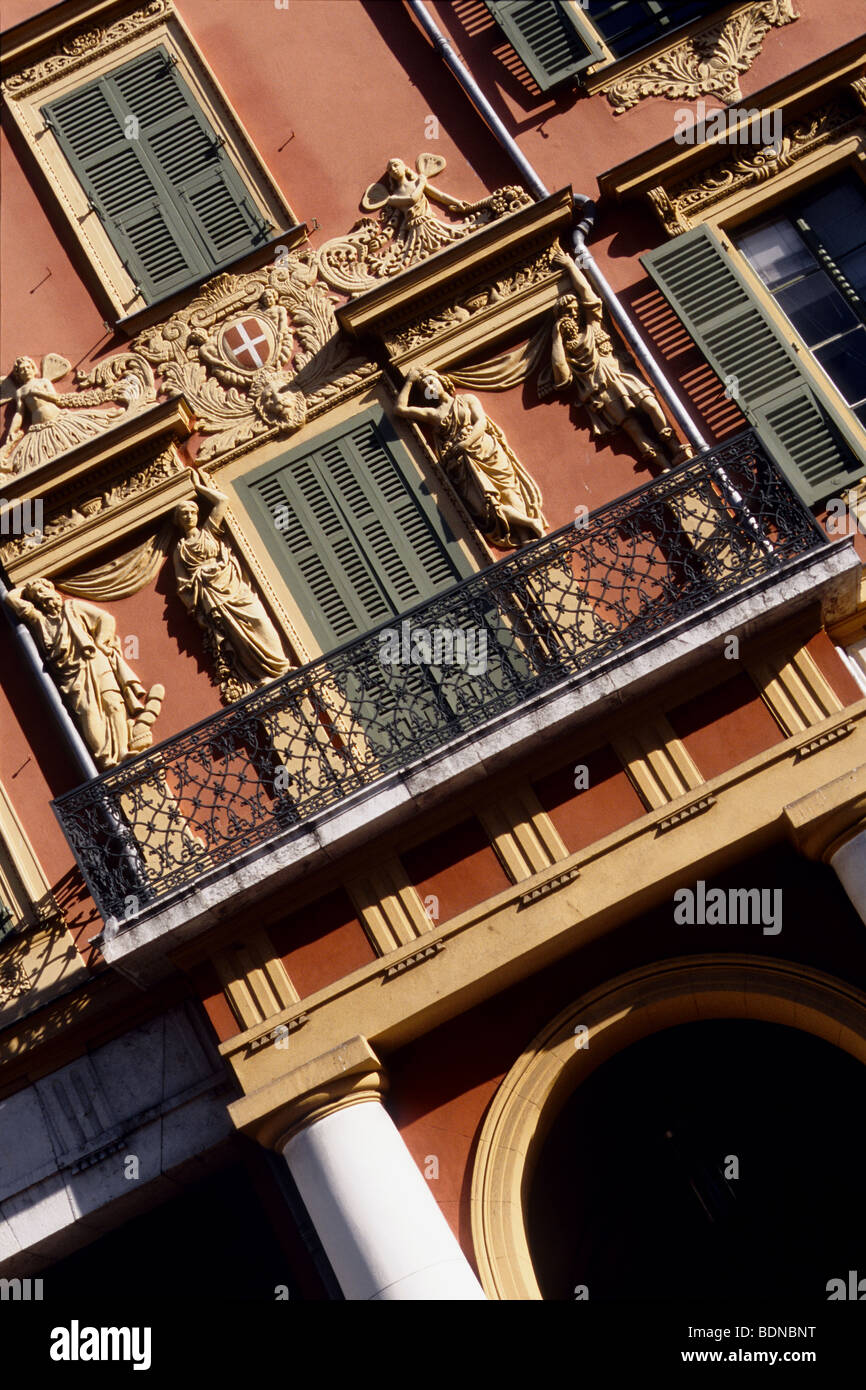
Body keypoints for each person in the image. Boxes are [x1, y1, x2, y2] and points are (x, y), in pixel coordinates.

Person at [4, 579, 162, 770]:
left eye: (43, 591)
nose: (42, 597)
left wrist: (102, 641)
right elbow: (10, 598)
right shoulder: (39, 621)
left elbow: (105, 619)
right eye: (37, 596)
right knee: (88, 713)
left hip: (95, 661)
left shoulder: (73, 607)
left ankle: (123, 751)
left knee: (113, 703)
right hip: (73, 677)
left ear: (51, 590)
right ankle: (107, 760)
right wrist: (25, 587)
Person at [549, 249, 688, 467]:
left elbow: (590, 297)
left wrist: (570, 266)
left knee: (652, 406)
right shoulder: (567, 350)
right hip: (601, 391)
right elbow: (562, 378)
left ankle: (676, 448)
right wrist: (556, 334)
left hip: (621, 376)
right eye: (568, 313)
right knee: (633, 430)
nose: (574, 315)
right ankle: (664, 466)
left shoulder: (594, 328)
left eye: (575, 310)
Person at [395, 366, 546, 549]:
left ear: (441, 380)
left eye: (431, 381)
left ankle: (525, 539)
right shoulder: (433, 415)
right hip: (461, 464)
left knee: (507, 491)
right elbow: (400, 408)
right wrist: (410, 381)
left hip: (485, 449)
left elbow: (481, 421)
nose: (430, 386)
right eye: (425, 386)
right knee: (486, 508)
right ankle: (530, 523)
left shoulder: (466, 399)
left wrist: (465, 444)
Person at [172, 471, 290, 693]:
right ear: (178, 520)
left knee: (261, 622)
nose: (188, 515)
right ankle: (266, 675)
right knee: (239, 638)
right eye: (183, 513)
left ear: (197, 514)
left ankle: (280, 664)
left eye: (191, 511)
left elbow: (223, 501)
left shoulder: (208, 532)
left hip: (233, 586)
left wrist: (199, 487)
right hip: (213, 597)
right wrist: (198, 605)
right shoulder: (181, 550)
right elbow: (182, 587)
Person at [0, 356, 121, 475]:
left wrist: (39, 393)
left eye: (28, 367)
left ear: (33, 368)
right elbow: (19, 413)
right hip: (39, 427)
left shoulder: (43, 381)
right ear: (18, 374)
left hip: (57, 417)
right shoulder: (20, 392)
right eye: (22, 369)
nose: (26, 370)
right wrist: (12, 430)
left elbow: (55, 398)